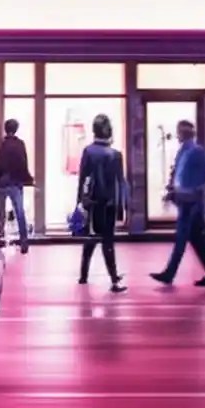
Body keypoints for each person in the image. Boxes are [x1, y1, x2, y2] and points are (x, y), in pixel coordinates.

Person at [151, 119, 205, 288]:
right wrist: (172, 189)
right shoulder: (184, 151)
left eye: (180, 131)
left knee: (185, 237)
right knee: (191, 238)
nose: (178, 135)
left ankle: (172, 273)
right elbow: (177, 173)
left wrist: (195, 189)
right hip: (185, 200)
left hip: (192, 201)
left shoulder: (196, 151)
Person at [76, 114, 128, 293]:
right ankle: (114, 279)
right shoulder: (116, 155)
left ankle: (83, 275)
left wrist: (80, 201)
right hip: (110, 202)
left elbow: (83, 178)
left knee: (91, 238)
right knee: (108, 241)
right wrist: (123, 206)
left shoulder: (88, 152)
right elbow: (120, 182)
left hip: (93, 201)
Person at [0, 119, 35, 254]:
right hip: (16, 182)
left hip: (3, 182)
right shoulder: (20, 144)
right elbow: (23, 163)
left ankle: (0, 236)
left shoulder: (1, 145)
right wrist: (28, 179)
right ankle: (24, 240)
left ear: (5, 129)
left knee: (1, 210)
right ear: (16, 129)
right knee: (19, 211)